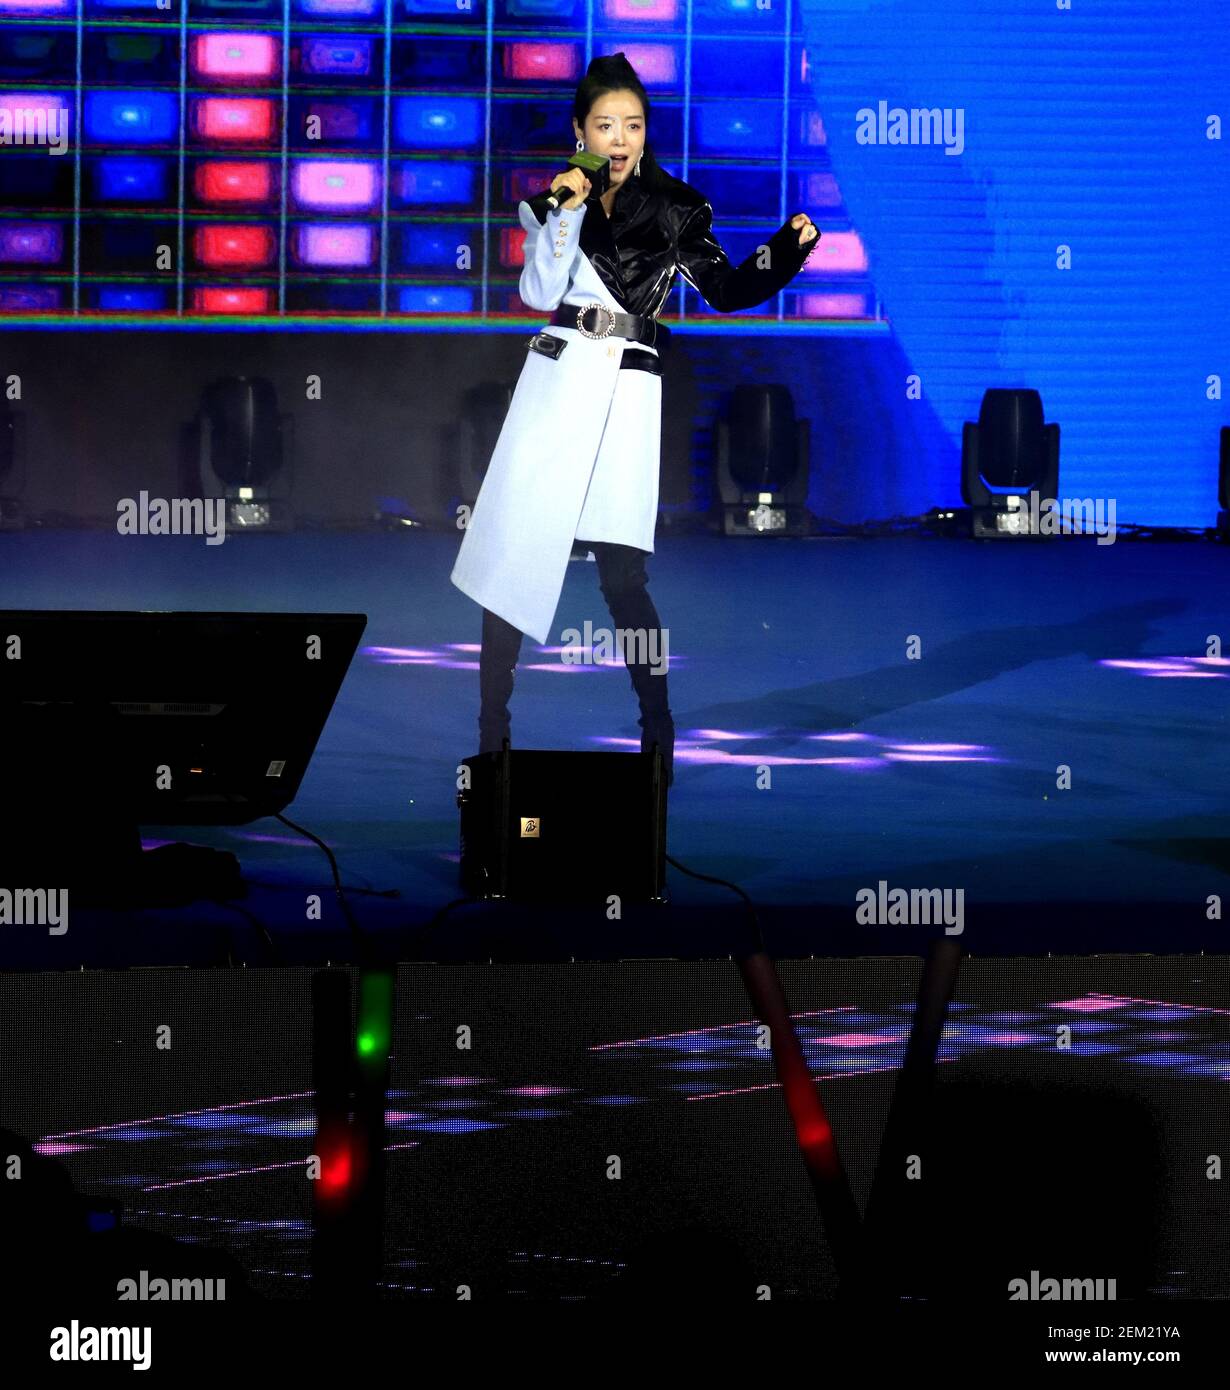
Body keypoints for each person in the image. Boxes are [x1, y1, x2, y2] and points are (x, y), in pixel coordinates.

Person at [450, 52, 820, 787]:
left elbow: (724, 288)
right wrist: (563, 212)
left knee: (623, 581)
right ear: (579, 133)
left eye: (634, 124)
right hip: (555, 389)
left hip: (624, 398)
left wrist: (781, 255)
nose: (620, 138)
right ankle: (492, 744)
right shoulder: (557, 203)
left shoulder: (676, 208)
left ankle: (657, 734)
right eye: (605, 125)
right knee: (511, 570)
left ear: (646, 134)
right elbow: (537, 291)